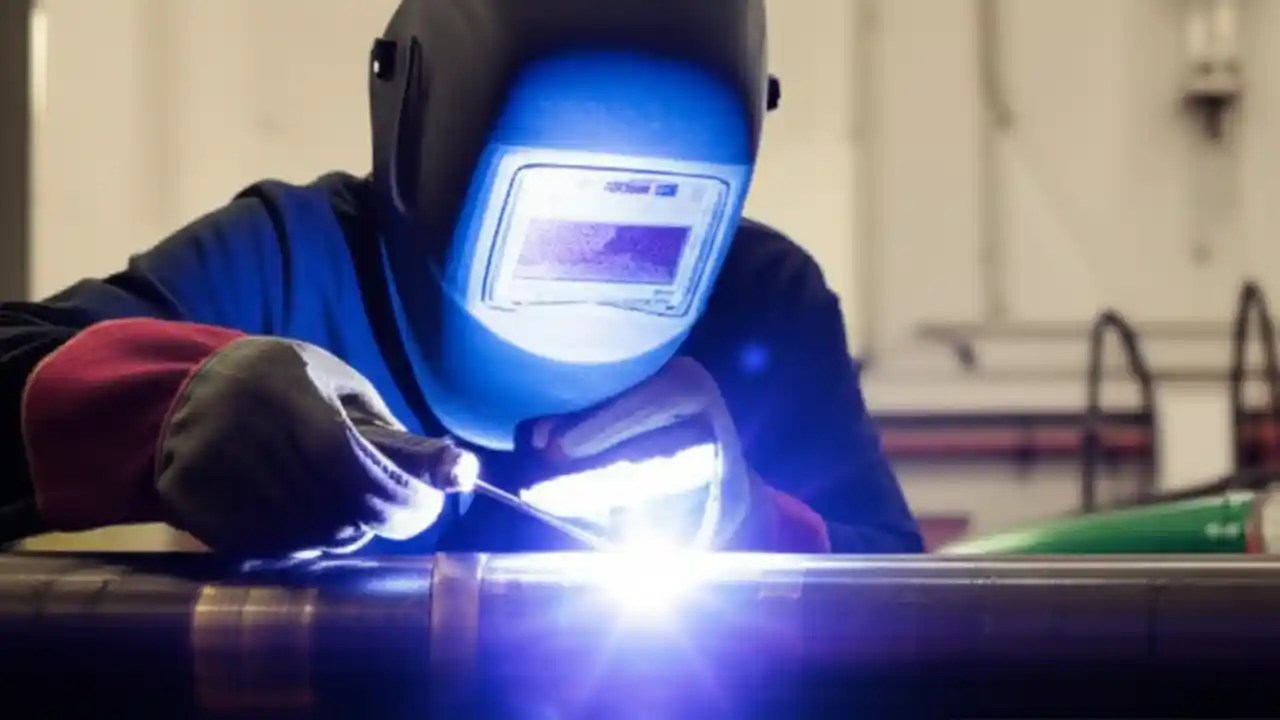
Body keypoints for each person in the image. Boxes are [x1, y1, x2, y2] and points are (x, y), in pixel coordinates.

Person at [0, 0, 922, 559]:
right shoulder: (299, 265)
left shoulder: (762, 301)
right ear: (421, 132)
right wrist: (168, 409)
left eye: (647, 231)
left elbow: (914, 625)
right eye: (561, 217)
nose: (589, 281)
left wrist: (752, 522)